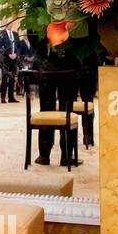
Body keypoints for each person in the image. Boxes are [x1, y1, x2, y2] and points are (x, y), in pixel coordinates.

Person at [25, 32, 80, 166]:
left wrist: (44, 51)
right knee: (67, 110)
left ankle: (44, 155)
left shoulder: (36, 11)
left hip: (46, 66)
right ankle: (66, 156)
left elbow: (32, 36)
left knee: (46, 109)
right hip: (68, 65)